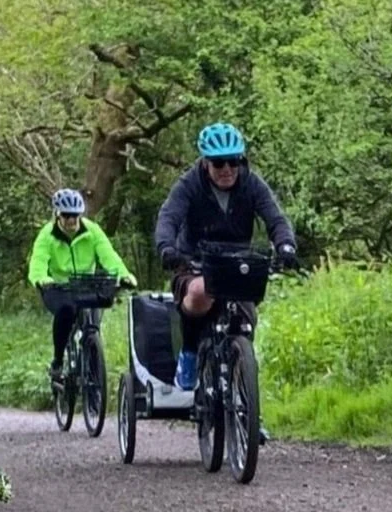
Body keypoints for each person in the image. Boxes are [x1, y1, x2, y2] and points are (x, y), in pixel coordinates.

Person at [153, 122, 297, 390]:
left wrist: (286, 245)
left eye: (234, 161)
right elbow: (169, 217)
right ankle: (190, 352)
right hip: (194, 262)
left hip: (237, 264)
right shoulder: (189, 184)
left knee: (245, 324)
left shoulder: (252, 184)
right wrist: (167, 248)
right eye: (219, 163)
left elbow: (275, 219)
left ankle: (246, 403)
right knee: (199, 294)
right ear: (206, 162)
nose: (228, 169)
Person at [28, 188, 135, 385]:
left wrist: (124, 275)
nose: (71, 221)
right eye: (66, 216)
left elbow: (109, 256)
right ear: (57, 215)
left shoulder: (93, 231)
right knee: (66, 310)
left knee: (93, 327)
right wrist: (41, 278)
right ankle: (58, 362)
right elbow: (38, 262)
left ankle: (93, 378)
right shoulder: (47, 235)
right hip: (59, 287)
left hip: (86, 285)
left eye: (75, 216)